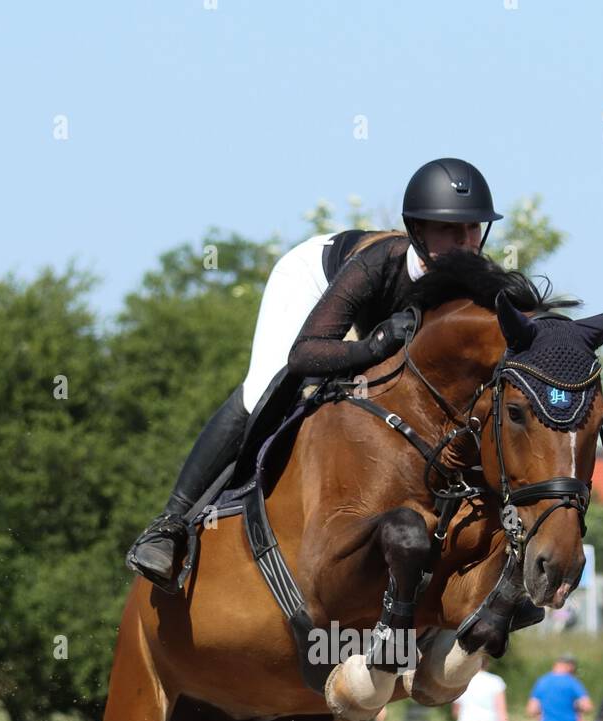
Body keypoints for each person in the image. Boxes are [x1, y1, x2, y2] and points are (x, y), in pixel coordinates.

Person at [127, 157, 503, 588]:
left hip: (365, 323)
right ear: (417, 230)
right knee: (264, 387)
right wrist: (375, 345)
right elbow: (304, 356)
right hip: (316, 283)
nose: (466, 242)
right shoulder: (377, 264)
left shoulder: (479, 283)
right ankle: (169, 526)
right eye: (450, 230)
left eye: (473, 229)